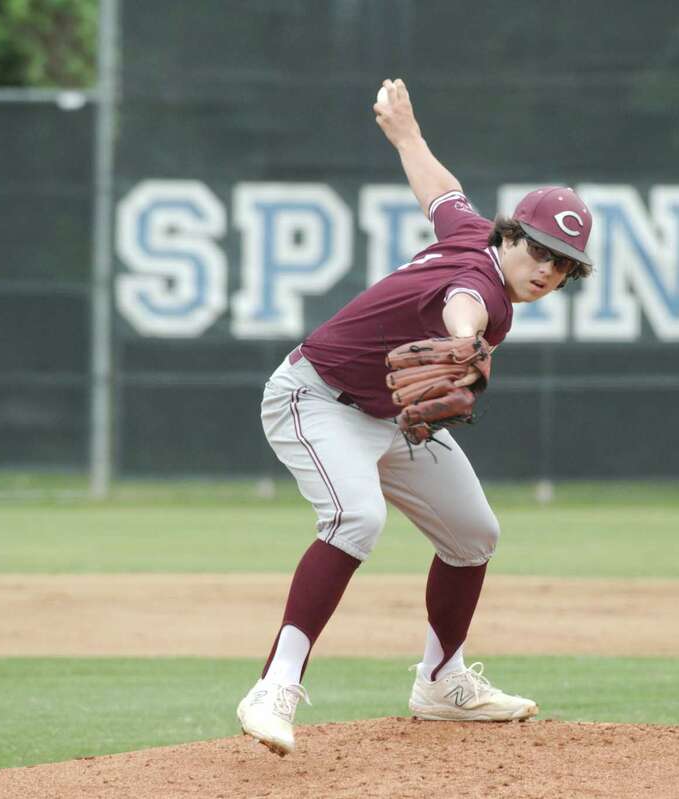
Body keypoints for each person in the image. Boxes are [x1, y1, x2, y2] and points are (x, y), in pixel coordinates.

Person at [235, 78, 594, 756]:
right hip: (312, 397)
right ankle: (274, 686)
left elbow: (442, 191)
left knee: (473, 531)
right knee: (356, 517)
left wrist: (407, 135)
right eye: (540, 249)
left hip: (387, 415)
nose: (547, 269)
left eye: (564, 264)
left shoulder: (471, 231)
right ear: (512, 234)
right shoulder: (483, 284)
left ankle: (441, 680)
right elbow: (467, 305)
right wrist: (467, 344)